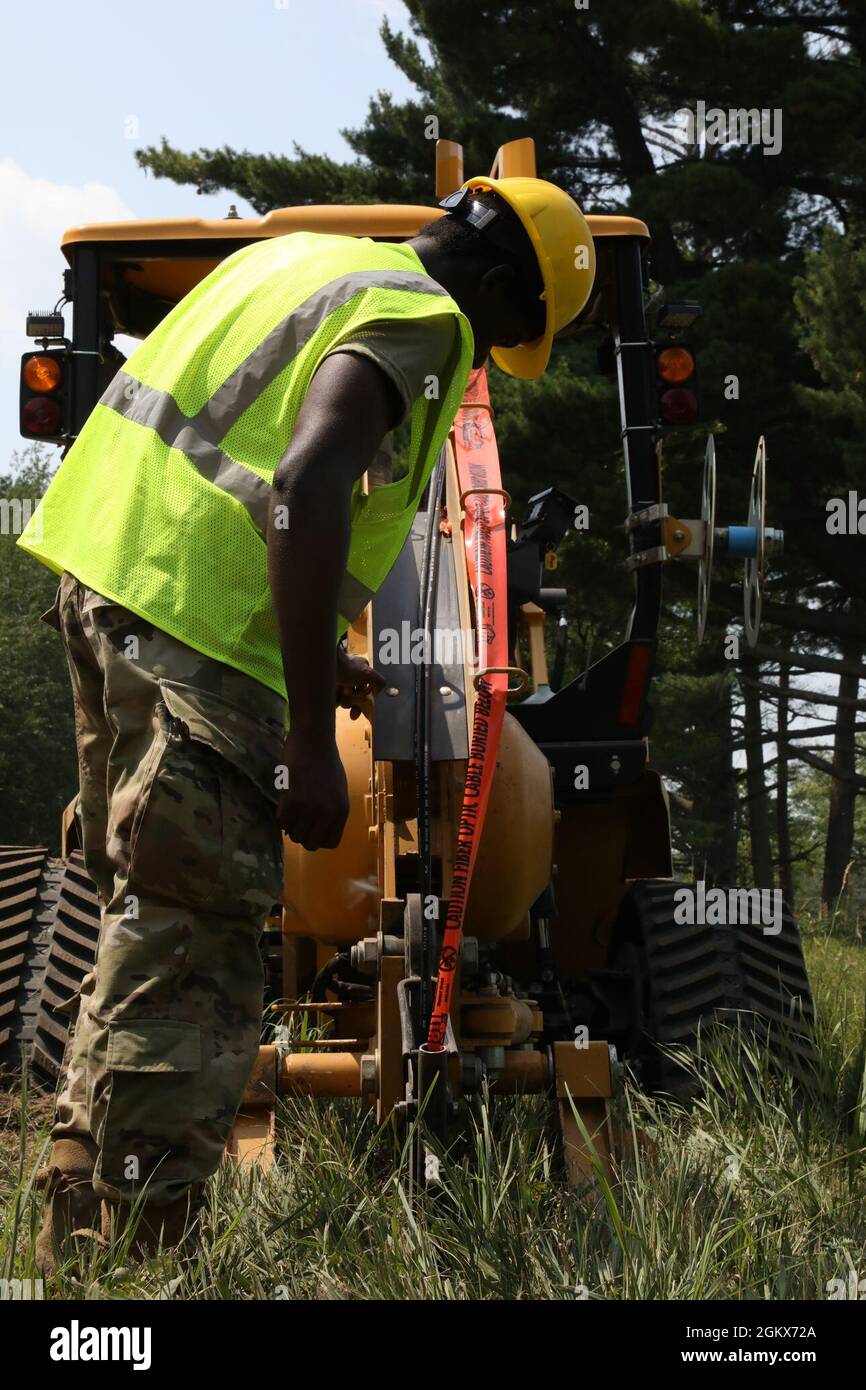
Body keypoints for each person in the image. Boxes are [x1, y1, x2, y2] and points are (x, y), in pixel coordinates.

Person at [17, 175, 596, 1271]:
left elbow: (230, 471)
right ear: (494, 287)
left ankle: (77, 1230)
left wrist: (313, 659)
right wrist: (298, 745)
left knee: (147, 918)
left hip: (108, 579)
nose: (485, 359)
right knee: (199, 946)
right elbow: (307, 474)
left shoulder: (300, 261)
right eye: (507, 333)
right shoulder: (425, 318)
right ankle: (142, 1266)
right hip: (194, 632)